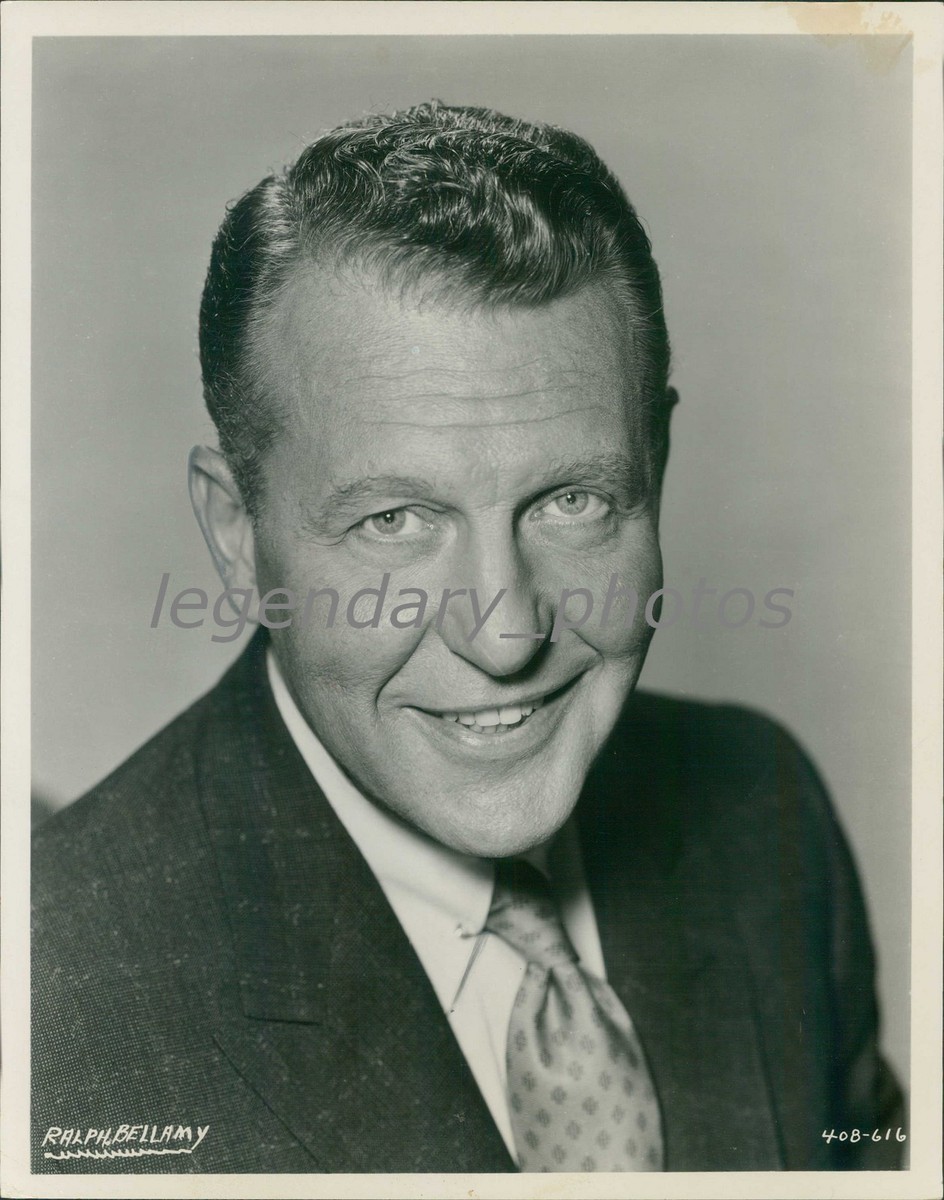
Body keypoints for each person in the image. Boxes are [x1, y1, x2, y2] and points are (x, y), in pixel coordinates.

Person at [31, 101, 903, 1174]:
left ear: (657, 466)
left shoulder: (763, 815)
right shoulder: (50, 995)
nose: (505, 635)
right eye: (394, 521)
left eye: (573, 501)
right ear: (235, 532)